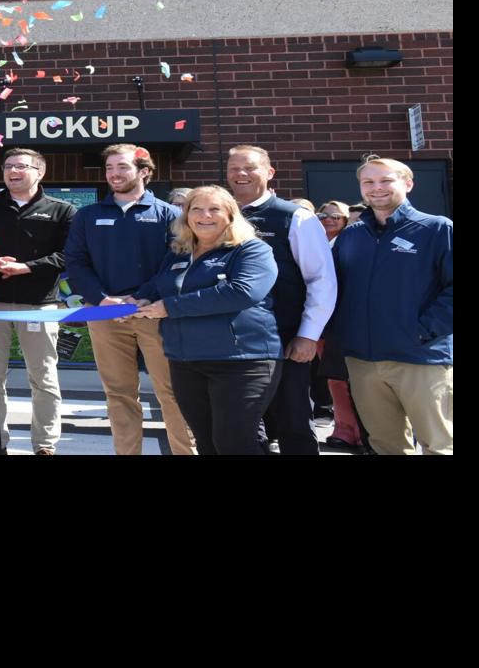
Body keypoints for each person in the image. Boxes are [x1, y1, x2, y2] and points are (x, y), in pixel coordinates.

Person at [116, 185, 281, 455]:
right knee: (206, 443)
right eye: (197, 209)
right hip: (186, 361)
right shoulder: (179, 253)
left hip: (241, 362)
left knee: (235, 444)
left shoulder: (251, 250)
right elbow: (158, 285)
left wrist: (169, 307)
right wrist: (139, 300)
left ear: (230, 215)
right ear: (186, 215)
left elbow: (242, 293)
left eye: (214, 209)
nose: (205, 216)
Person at [63, 143, 195, 455]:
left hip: (155, 314)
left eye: (122, 167)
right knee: (118, 394)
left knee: (172, 392)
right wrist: (102, 299)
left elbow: (176, 264)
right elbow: (76, 263)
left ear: (145, 171)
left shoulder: (171, 215)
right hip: (105, 316)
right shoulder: (87, 216)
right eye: (109, 168)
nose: (114, 174)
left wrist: (140, 298)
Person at [331, 156, 453, 455]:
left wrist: (421, 330)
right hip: (363, 360)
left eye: (386, 180)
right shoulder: (351, 236)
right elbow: (335, 291)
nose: (377, 188)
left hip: (421, 356)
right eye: (368, 182)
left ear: (408, 183)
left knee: (439, 445)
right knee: (385, 446)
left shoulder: (437, 229)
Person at [225, 144, 336, 455]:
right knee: (243, 426)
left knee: (293, 422)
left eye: (249, 167)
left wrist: (308, 335)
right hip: (233, 342)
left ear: (269, 172)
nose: (241, 174)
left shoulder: (294, 217)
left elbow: (321, 280)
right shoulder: (220, 214)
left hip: (284, 339)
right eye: (234, 168)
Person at [0, 148, 77, 455]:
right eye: (8, 166)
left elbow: (69, 255)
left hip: (40, 306)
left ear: (39, 172)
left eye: (21, 166)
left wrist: (27, 267)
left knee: (43, 378)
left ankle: (45, 444)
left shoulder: (62, 210)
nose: (13, 171)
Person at [312, 200, 367, 453]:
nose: (330, 220)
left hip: (359, 325)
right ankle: (345, 429)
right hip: (329, 326)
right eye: (324, 215)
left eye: (339, 216)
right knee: (336, 380)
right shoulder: (317, 244)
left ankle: (365, 432)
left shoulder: (358, 247)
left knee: (363, 382)